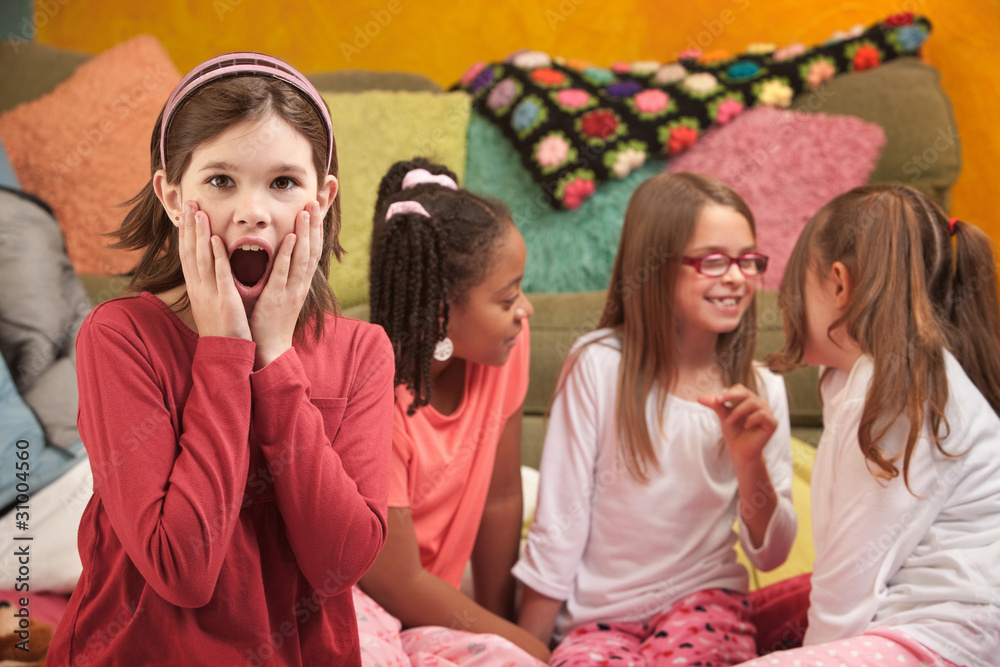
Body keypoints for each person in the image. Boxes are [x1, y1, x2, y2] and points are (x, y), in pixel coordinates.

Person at [47, 53, 396, 665]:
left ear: (322, 198)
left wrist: (275, 359)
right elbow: (181, 570)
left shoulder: (363, 351)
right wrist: (225, 353)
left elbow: (340, 566)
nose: (252, 211)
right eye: (220, 181)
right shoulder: (118, 337)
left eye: (283, 183)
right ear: (172, 196)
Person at [514, 172, 797, 666]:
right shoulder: (598, 365)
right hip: (597, 621)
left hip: (707, 606)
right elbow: (559, 524)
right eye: (713, 261)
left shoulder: (762, 389)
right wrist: (528, 650)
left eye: (747, 260)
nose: (736, 277)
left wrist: (750, 462)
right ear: (656, 268)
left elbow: (770, 556)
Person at [738, 185, 1000, 667]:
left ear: (839, 285)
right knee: (761, 614)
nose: (785, 305)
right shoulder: (857, 377)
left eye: (794, 286)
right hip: (917, 622)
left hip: (948, 639)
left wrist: (815, 657)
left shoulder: (897, 390)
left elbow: (851, 580)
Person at [353, 158, 548, 665]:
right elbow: (394, 580)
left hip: (429, 615)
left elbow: (501, 499)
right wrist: (527, 644)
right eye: (508, 298)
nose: (524, 309)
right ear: (440, 310)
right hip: (356, 604)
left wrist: (506, 629)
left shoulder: (506, 348)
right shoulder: (372, 401)